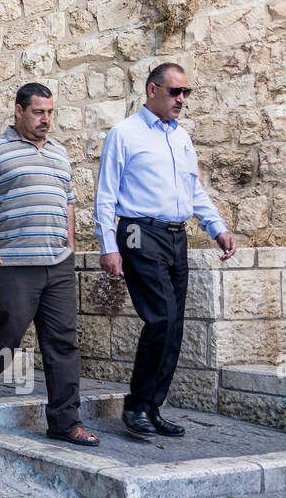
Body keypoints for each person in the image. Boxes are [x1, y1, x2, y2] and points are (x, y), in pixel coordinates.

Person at [95, 62, 237, 436]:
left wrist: (217, 228)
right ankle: (136, 405)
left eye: (186, 93)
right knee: (161, 318)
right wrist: (108, 247)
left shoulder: (182, 138)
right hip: (139, 233)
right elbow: (105, 196)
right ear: (152, 90)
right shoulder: (124, 134)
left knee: (174, 326)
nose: (182, 99)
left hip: (176, 236)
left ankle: (152, 407)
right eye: (175, 92)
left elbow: (194, 190)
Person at [0, 83, 99, 446]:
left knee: (63, 343)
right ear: (19, 110)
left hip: (58, 263)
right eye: (39, 112)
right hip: (14, 261)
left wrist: (70, 241)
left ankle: (65, 422)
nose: (46, 120)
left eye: (51, 112)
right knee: (7, 327)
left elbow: (68, 200)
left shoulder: (59, 152)